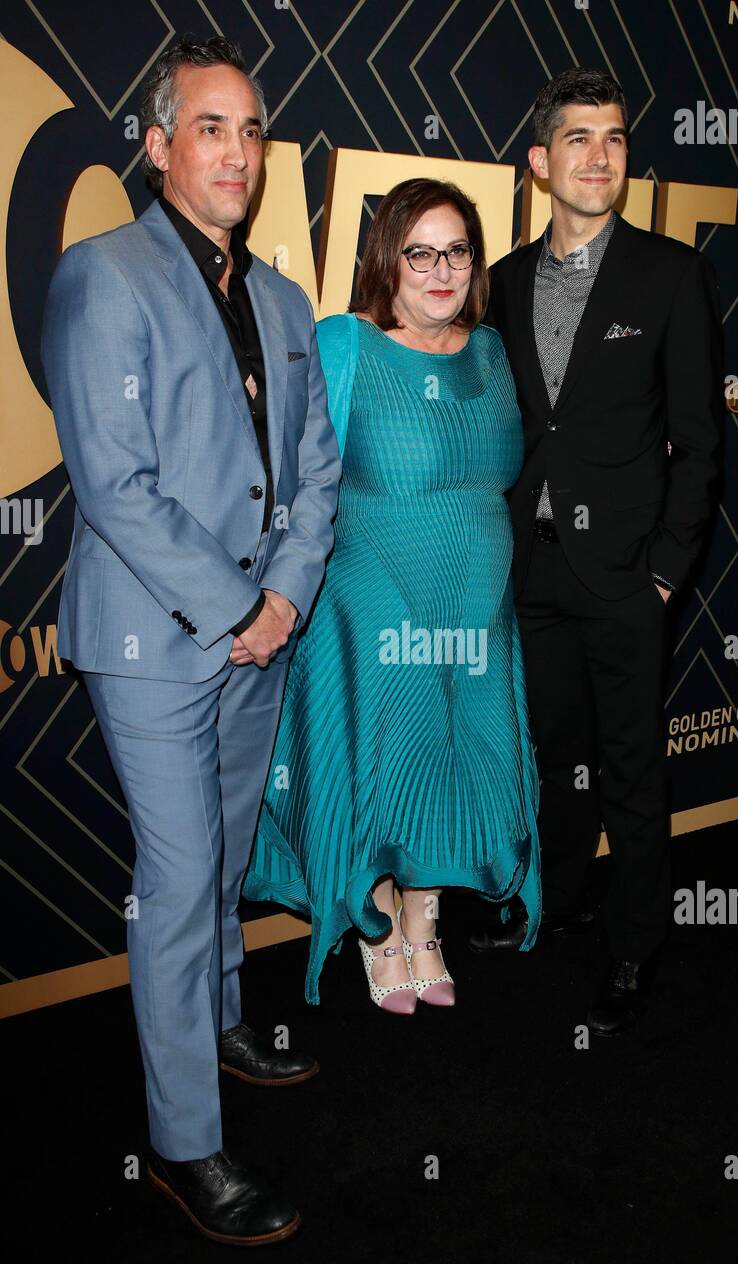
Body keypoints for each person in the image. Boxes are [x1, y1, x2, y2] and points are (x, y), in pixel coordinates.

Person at [40, 36, 341, 1244]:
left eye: (252, 128)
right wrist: (239, 606)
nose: (236, 150)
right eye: (210, 127)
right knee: (174, 888)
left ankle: (219, 1023)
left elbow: (314, 470)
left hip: (256, 635)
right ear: (161, 146)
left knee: (221, 853)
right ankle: (184, 1147)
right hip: (157, 642)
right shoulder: (100, 274)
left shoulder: (279, 297)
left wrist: (285, 595)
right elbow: (116, 486)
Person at [243, 177, 541, 1010]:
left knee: (457, 764)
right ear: (388, 259)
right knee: (385, 762)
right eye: (421, 251)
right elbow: (301, 477)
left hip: (478, 604)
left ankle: (425, 920)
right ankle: (376, 922)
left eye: (457, 251)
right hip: (374, 601)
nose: (441, 269)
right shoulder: (346, 343)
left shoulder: (488, 352)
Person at [473, 68, 724, 1036]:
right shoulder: (499, 282)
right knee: (552, 757)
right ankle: (561, 900)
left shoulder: (669, 275)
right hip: (530, 570)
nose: (598, 157)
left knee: (629, 765)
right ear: (539, 162)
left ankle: (632, 946)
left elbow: (700, 440)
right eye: (577, 139)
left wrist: (664, 569)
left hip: (624, 573)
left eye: (613, 138)